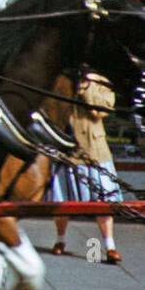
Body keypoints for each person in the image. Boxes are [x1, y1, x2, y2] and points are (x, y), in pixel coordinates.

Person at [49, 72, 123, 263]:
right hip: (66, 148)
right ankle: (60, 240)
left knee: (103, 202)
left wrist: (87, 86)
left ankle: (110, 246)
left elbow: (101, 110)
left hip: (94, 151)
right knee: (62, 201)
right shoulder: (61, 79)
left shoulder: (101, 82)